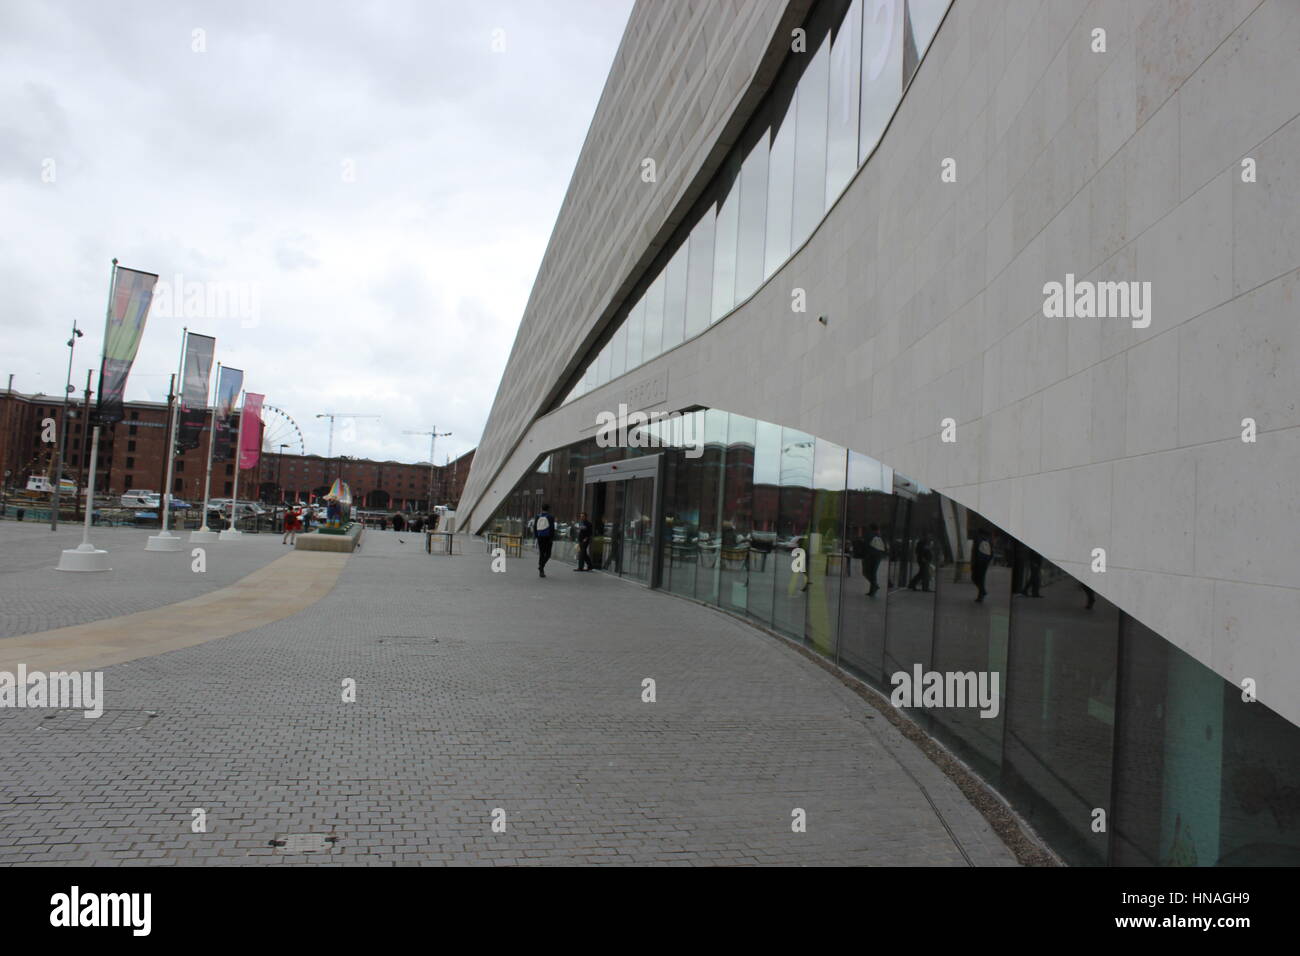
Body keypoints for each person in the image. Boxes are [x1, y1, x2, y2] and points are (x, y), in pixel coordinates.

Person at [533, 502, 555, 577]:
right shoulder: (550, 517)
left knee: (542, 553)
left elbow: (535, 526)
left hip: (540, 537)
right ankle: (541, 566)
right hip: (548, 537)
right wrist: (552, 538)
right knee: (548, 554)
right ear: (548, 509)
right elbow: (552, 528)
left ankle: (541, 569)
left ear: (541, 509)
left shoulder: (537, 516)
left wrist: (536, 536)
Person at [971, 529, 993, 602]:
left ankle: (982, 592)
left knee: (974, 577)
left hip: (978, 561)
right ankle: (981, 595)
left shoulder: (977, 537)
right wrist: (988, 560)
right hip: (985, 561)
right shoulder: (989, 538)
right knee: (982, 578)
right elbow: (992, 551)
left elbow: (974, 550)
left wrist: (973, 562)